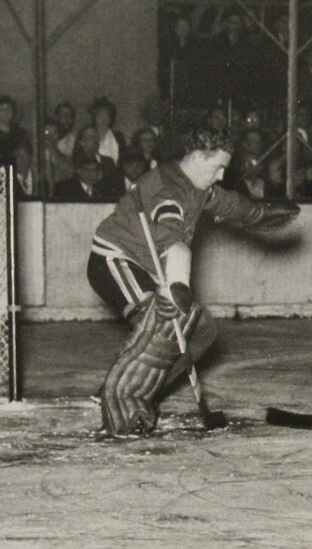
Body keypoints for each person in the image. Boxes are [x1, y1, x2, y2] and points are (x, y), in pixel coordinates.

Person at [86, 125, 299, 437]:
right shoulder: (166, 189)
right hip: (115, 260)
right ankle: (123, 406)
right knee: (160, 322)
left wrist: (256, 214)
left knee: (200, 331)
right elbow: (174, 242)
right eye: (218, 167)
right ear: (200, 156)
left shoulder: (195, 184)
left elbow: (225, 201)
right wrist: (175, 285)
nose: (221, 175)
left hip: (147, 266)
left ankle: (133, 385)